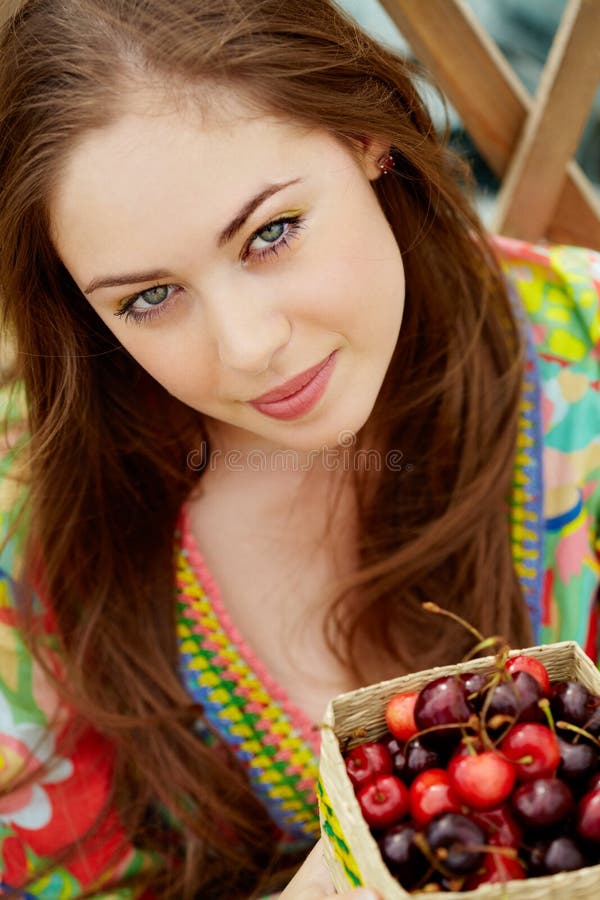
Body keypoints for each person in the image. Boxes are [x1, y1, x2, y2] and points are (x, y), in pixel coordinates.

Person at [0, 0, 598, 897]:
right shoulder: (30, 543)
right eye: (148, 298)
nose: (248, 346)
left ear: (367, 137)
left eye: (270, 234)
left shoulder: (585, 361)